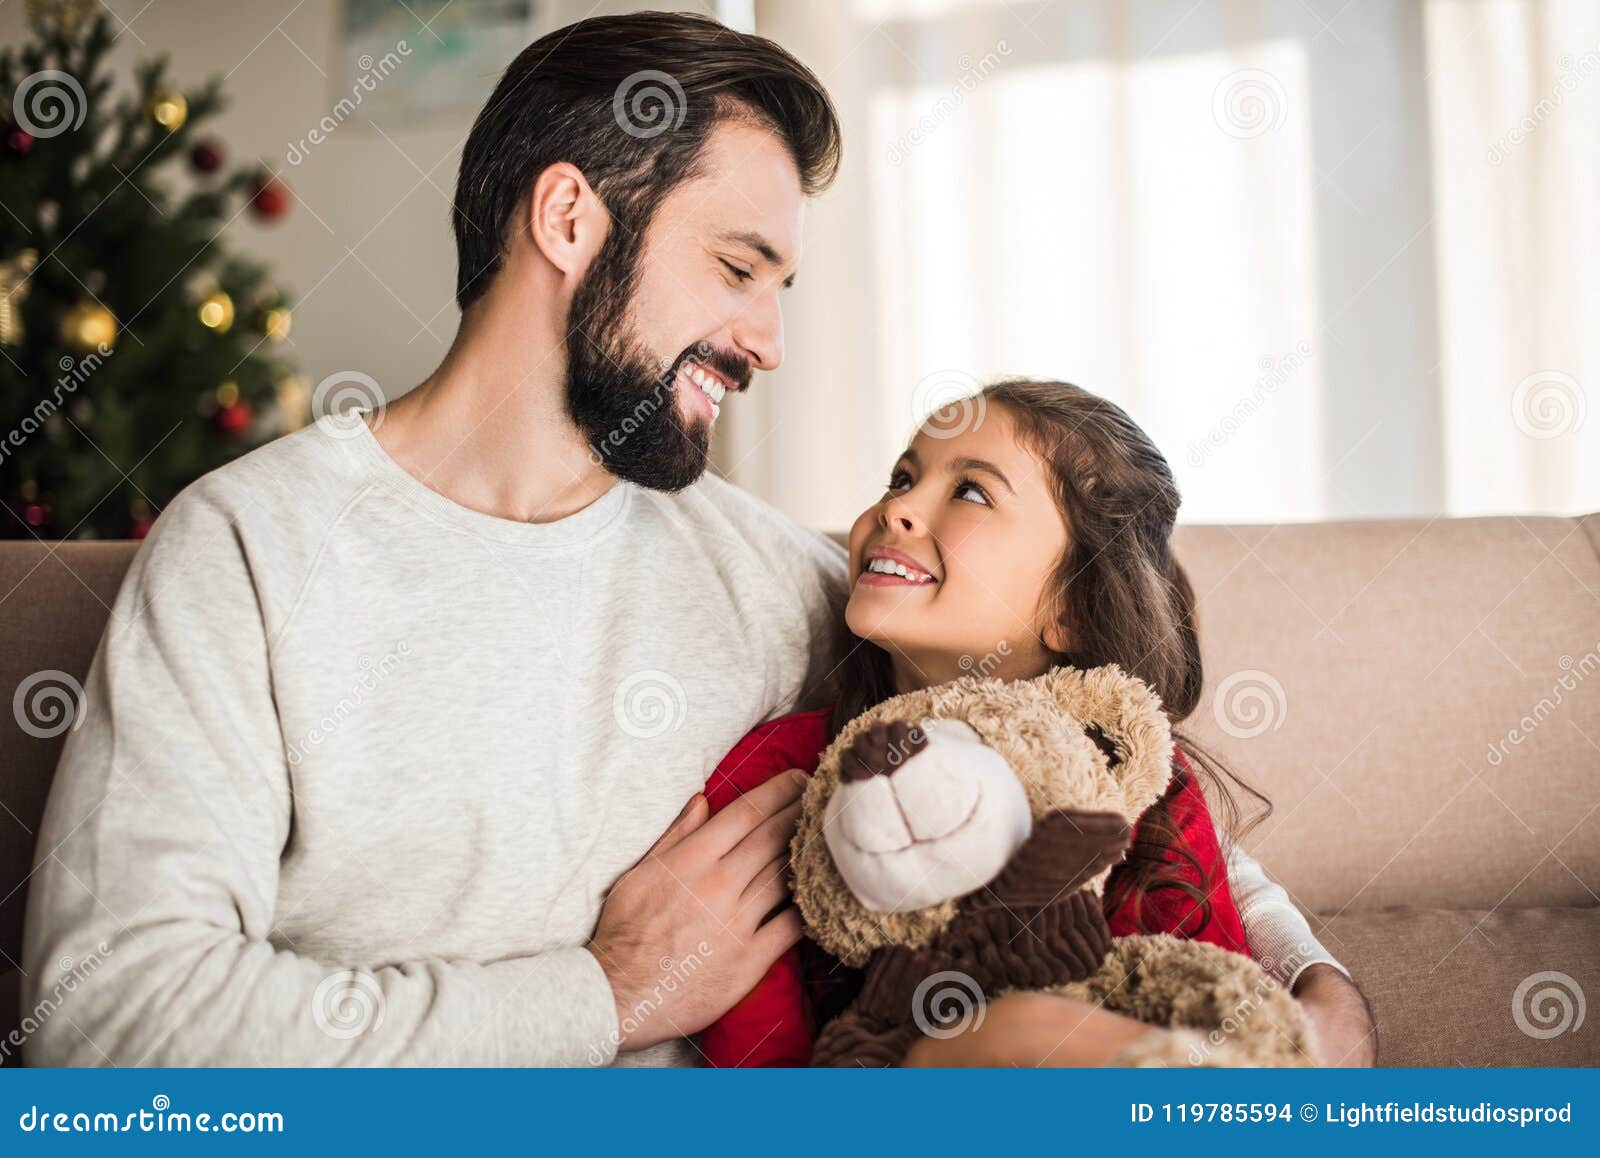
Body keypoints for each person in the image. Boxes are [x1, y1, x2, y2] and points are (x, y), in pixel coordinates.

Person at [21, 12, 1371, 1068]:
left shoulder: (785, 583)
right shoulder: (250, 556)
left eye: (782, 289)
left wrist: (1319, 996)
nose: (769, 344)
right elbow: (106, 1025)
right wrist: (600, 993)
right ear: (567, 219)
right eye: (736, 270)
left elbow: (1093, 775)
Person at [697, 380, 1376, 1066]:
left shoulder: (1140, 782)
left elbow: (1207, 996)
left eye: (971, 493)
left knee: (1025, 1031)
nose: (898, 506)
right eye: (902, 477)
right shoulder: (782, 771)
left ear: (1073, 610)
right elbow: (754, 1059)